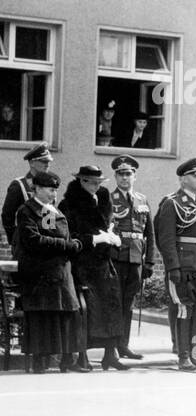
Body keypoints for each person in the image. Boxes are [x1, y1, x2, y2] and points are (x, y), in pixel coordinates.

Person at [12, 170, 85, 373]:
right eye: (50, 190)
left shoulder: (46, 211)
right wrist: (69, 245)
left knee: (62, 314)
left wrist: (66, 245)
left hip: (57, 273)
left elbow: (50, 234)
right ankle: (40, 361)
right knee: (43, 318)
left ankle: (65, 359)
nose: (54, 194)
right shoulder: (27, 210)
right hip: (40, 275)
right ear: (38, 188)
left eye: (55, 190)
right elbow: (35, 241)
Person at [154, 157, 196, 370]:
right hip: (184, 265)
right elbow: (166, 239)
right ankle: (183, 355)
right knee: (184, 310)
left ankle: (194, 354)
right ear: (183, 179)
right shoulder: (172, 203)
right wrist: (173, 267)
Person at [60, 165, 126, 370]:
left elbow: (110, 224)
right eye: (93, 182)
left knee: (111, 309)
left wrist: (113, 236)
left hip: (104, 263)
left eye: (99, 183)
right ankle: (81, 356)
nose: (97, 186)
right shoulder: (69, 204)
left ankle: (110, 354)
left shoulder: (103, 200)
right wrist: (94, 239)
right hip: (83, 264)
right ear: (82, 181)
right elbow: (69, 236)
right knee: (87, 311)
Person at [107, 155, 153, 360]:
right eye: (121, 174)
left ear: (135, 176)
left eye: (128, 174)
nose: (125, 178)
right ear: (115, 176)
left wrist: (149, 261)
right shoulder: (109, 199)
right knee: (115, 303)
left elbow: (149, 234)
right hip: (116, 257)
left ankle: (124, 345)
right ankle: (113, 347)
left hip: (136, 257)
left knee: (129, 303)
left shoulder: (142, 200)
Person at [4, 142, 55, 247]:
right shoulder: (19, 185)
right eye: (43, 161)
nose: (47, 164)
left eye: (49, 161)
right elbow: (7, 216)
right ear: (32, 163)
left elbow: (49, 219)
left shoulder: (50, 187)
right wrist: (15, 240)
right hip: (24, 244)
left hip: (44, 244)